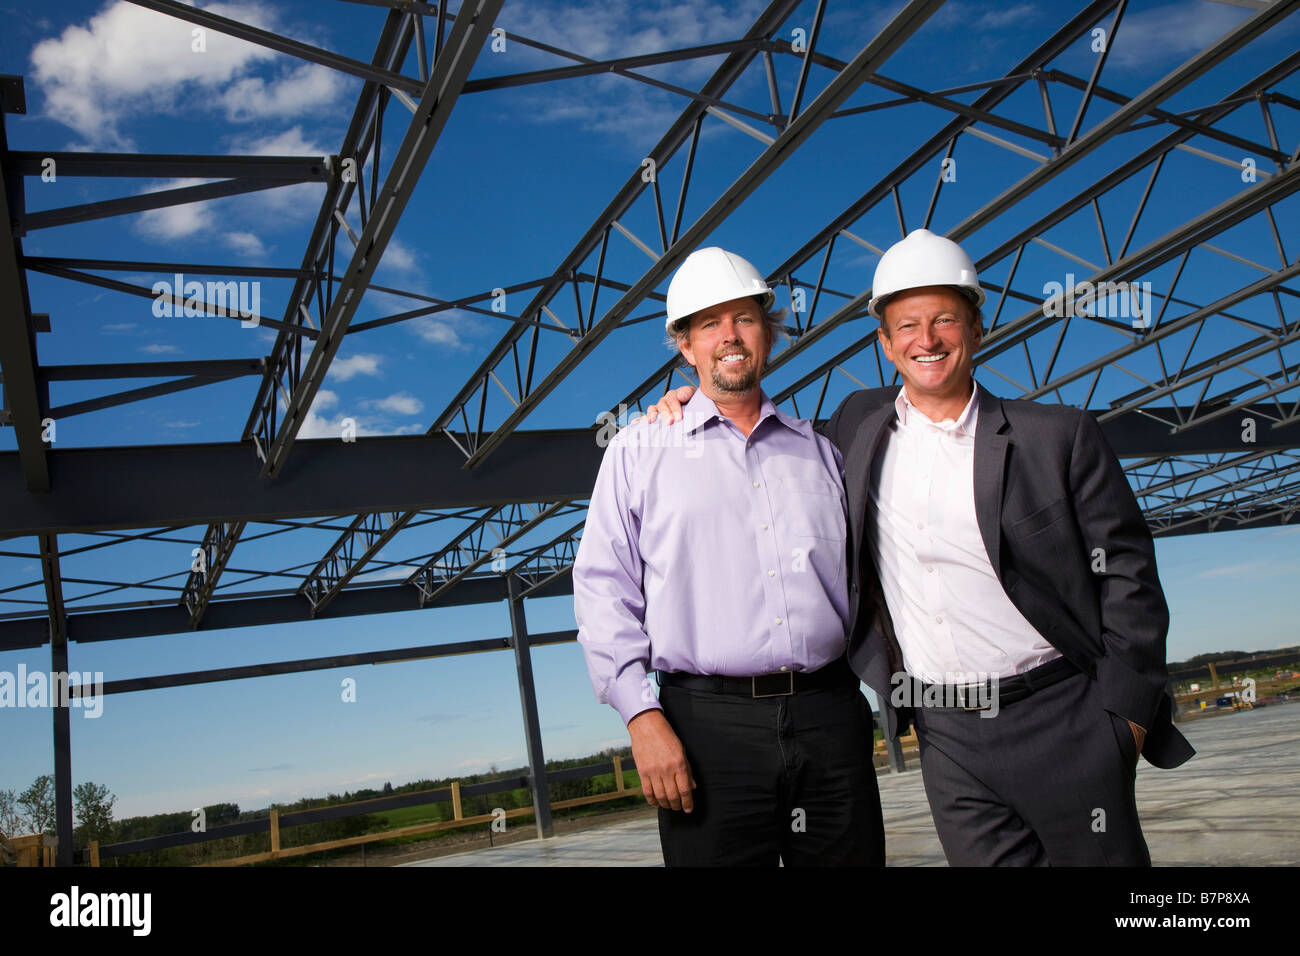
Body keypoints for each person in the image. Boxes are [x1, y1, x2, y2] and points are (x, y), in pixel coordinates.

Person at [647, 229, 1195, 866]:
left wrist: (1123, 719)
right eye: (907, 325)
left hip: (1064, 715)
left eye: (944, 321)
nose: (926, 341)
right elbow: (741, 418)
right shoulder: (853, 429)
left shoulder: (1060, 437)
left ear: (977, 329)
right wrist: (688, 403)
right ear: (884, 343)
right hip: (947, 735)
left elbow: (1129, 576)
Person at [573, 246, 884, 866]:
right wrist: (641, 717)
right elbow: (604, 589)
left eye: (744, 318)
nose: (730, 336)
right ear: (685, 346)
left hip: (831, 718)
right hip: (703, 727)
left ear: (767, 334)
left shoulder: (822, 454)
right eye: (709, 324)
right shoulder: (639, 451)